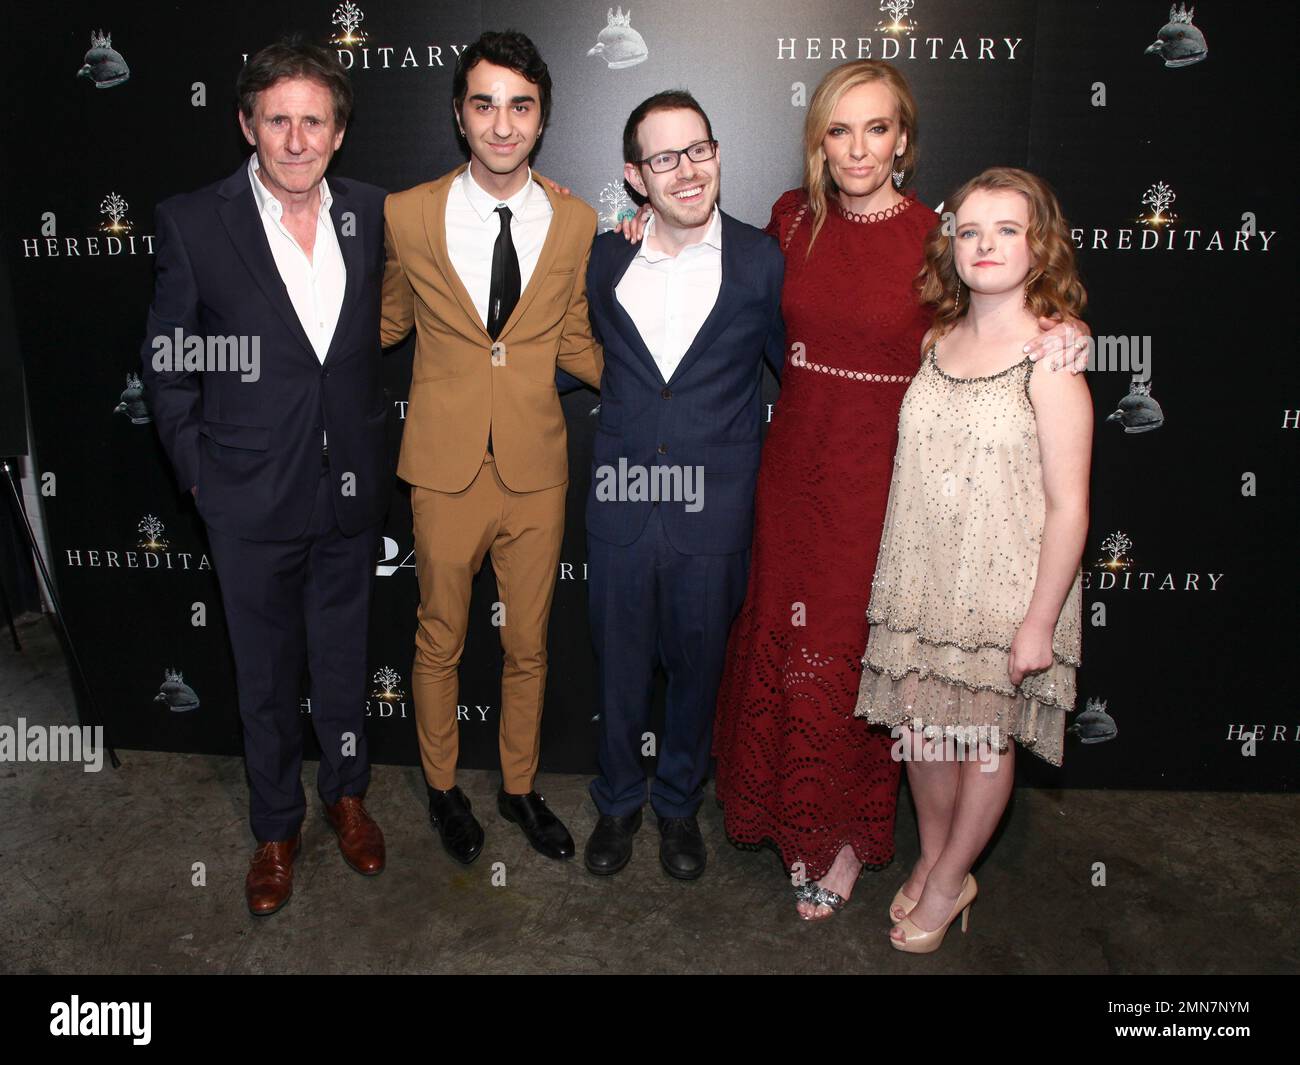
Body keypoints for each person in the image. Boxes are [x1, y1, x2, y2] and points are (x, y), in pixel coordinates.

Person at [709, 60, 1091, 920]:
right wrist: (635, 229)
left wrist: (1072, 329)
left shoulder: (938, 234)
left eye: (875, 128)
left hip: (894, 481)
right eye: (839, 130)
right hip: (795, 463)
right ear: (819, 141)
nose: (857, 148)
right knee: (786, 631)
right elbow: (723, 281)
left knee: (860, 655)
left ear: (903, 140)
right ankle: (789, 817)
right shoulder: (789, 219)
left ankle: (844, 835)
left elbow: (1014, 300)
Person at [139, 39, 391, 916]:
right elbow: (168, 360)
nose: (295, 138)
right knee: (264, 674)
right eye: (277, 119)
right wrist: (200, 476)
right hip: (246, 495)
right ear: (248, 125)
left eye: (312, 120)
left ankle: (347, 795)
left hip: (350, 491)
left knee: (345, 658)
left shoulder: (369, 212)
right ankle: (277, 826)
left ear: (338, 131)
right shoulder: (195, 221)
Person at [380, 31, 603, 865]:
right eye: (484, 104)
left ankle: (517, 788)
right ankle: (442, 789)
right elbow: (387, 320)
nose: (502, 124)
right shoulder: (407, 213)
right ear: (458, 115)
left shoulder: (576, 219)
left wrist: (666, 383)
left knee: (529, 643)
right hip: (442, 466)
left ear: (541, 118)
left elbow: (576, 339)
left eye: (520, 105)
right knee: (439, 636)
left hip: (536, 466)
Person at [856, 166, 1091, 953]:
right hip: (922, 581)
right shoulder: (935, 340)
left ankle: (954, 876)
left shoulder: (1054, 359)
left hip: (1005, 592)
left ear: (1039, 246)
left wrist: (1039, 623)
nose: (985, 244)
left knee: (983, 743)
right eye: (971, 229)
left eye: (1008, 230)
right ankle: (933, 855)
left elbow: (1070, 507)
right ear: (951, 243)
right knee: (922, 734)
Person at [580, 91, 785, 880]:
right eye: (663, 158)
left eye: (697, 149)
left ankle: (676, 807)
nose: (686, 170)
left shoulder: (763, 260)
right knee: (619, 668)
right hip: (623, 506)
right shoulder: (605, 257)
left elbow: (803, 365)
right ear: (636, 177)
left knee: (700, 671)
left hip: (715, 512)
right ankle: (618, 801)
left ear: (717, 152)